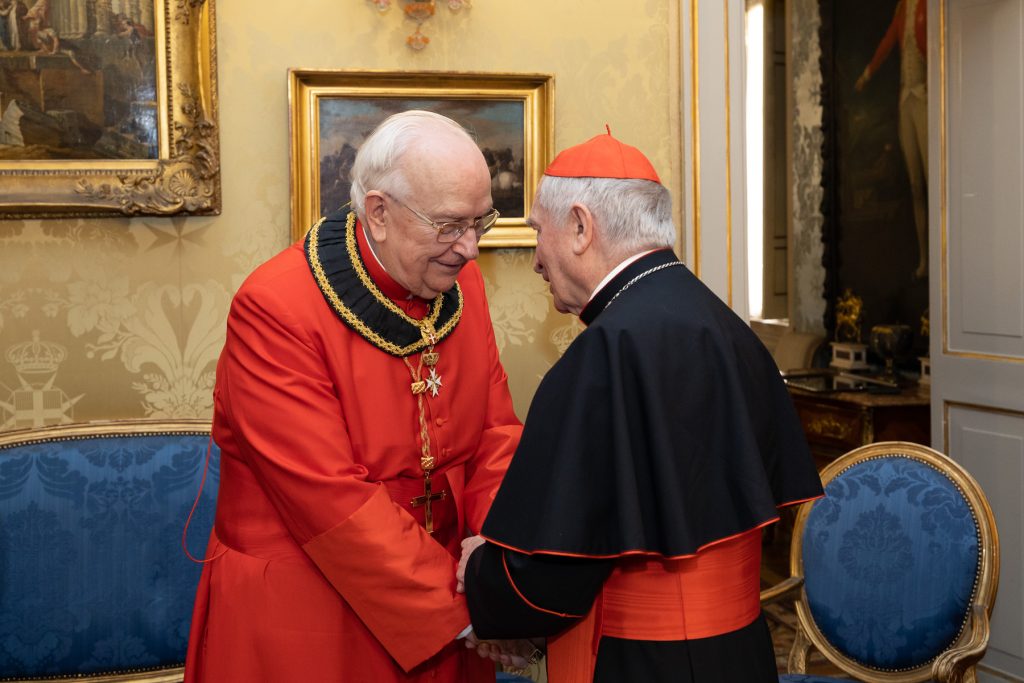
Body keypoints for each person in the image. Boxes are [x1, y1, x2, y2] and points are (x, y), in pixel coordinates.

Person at [457, 130, 824, 682]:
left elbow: (548, 581)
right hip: (741, 652)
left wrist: (480, 571)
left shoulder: (606, 353)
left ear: (581, 227)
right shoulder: (724, 325)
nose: (536, 259)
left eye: (539, 232)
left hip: (647, 663)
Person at [184, 110, 524, 682]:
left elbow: (495, 435)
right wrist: (470, 614)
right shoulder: (274, 307)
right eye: (448, 225)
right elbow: (329, 498)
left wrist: (496, 565)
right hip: (308, 618)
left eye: (479, 221)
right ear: (379, 213)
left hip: (447, 595)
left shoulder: (458, 280)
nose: (469, 249)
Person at [855, 0, 928, 279]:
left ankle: (939, 258)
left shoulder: (928, 7)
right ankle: (925, 259)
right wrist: (866, 74)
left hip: (924, 96)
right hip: (905, 100)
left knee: (933, 184)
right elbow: (887, 44)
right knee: (915, 184)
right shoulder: (903, 10)